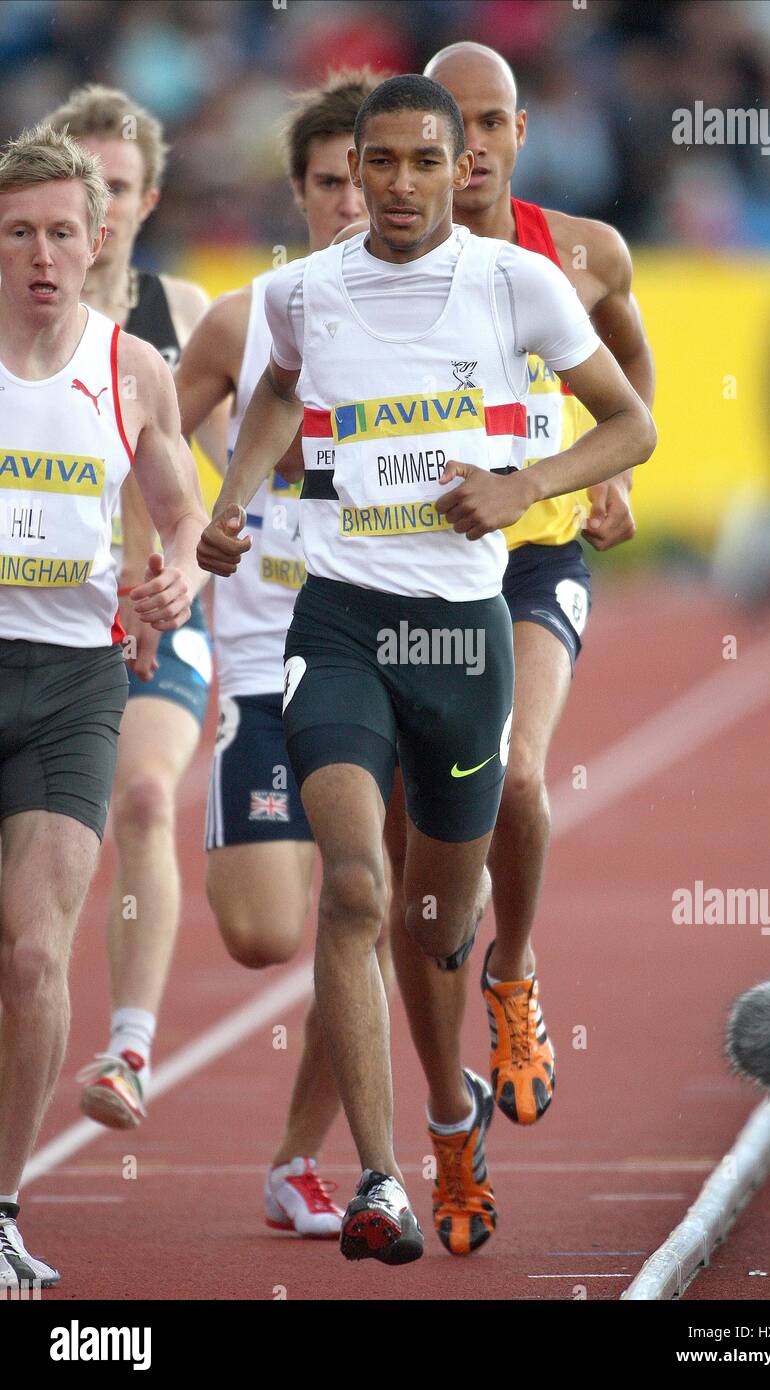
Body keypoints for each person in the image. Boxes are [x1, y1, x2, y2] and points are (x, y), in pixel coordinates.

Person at [197, 73, 655, 1266]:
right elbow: (282, 389)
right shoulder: (302, 291)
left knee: (432, 917)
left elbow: (631, 423)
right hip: (340, 624)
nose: (397, 185)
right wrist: (236, 500)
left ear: (465, 170)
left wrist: (530, 486)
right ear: (357, 167)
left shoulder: (522, 283)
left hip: (463, 637)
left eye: (422, 162)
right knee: (351, 889)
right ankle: (384, 1179)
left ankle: (458, 1114)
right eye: (378, 162)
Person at [378, 42, 658, 1255]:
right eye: (461, 126)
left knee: (524, 776)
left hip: (534, 556)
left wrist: (602, 483)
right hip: (422, 573)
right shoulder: (383, 267)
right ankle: (441, 1117)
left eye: (496, 124)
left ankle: (517, 975)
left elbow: (634, 378)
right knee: (411, 886)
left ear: (523, 130)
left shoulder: (586, 251)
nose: (477, 148)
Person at [0, 123, 207, 1288]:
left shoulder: (130, 368)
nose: (41, 254)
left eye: (62, 233)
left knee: (34, 958)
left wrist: (176, 569)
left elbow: (179, 508)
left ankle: (0, 1206)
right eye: (19, 232)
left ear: (98, 244)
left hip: (76, 680)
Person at [176, 71, 379, 1236]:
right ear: (299, 190)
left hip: (389, 651)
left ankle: (302, 1159)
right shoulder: (239, 318)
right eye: (331, 183)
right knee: (264, 933)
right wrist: (199, 494)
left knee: (367, 905)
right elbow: (149, 421)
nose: (355, 203)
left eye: (372, 178)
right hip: (262, 662)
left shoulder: (438, 315)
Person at [41, 85, 221, 1129]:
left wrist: (182, 572)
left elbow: (232, 478)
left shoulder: (180, 316)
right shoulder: (23, 309)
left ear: (147, 199)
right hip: (43, 614)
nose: (99, 211)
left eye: (117, 189)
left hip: (156, 615)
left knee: (145, 800)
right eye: (82, 188)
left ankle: (129, 1049)